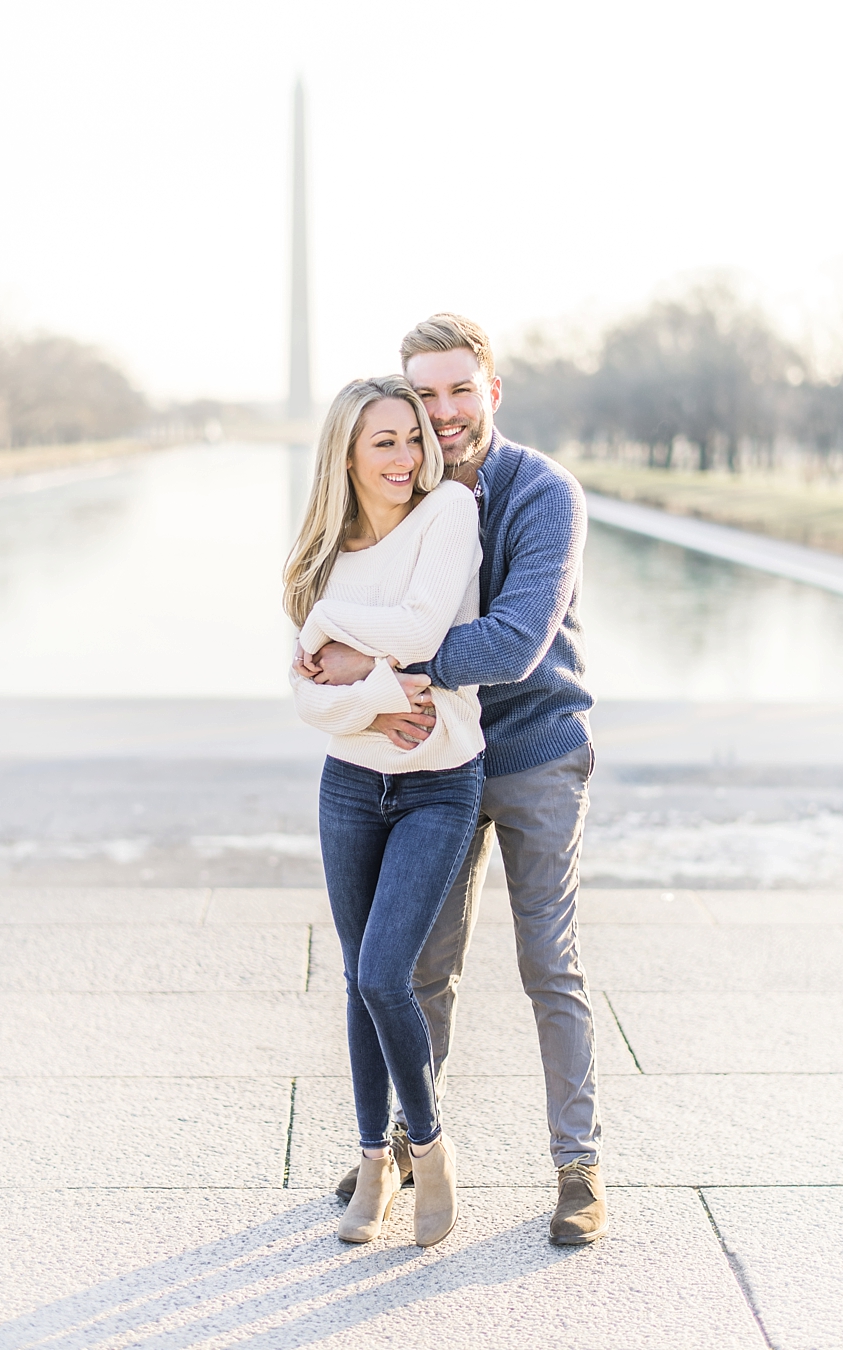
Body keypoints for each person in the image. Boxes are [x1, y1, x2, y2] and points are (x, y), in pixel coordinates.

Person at [306, 315, 607, 1245]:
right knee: (418, 969)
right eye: (422, 394)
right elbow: (321, 614)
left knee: (548, 964)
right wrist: (350, 655)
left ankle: (578, 1164)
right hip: (438, 762)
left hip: (537, 751)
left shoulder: (542, 492)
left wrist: (373, 660)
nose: (440, 414)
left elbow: (513, 645)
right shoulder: (409, 492)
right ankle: (401, 1145)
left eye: (458, 391)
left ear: (493, 392)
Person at [285, 373, 485, 1248]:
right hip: (348, 787)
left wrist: (339, 642)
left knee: (383, 976)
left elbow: (423, 627)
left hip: (440, 781)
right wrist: (375, 697)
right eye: (386, 442)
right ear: (348, 454)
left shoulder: (448, 514)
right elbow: (306, 700)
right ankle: (373, 1162)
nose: (408, 456)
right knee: (354, 982)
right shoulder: (325, 554)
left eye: (413, 437)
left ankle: (428, 1148)